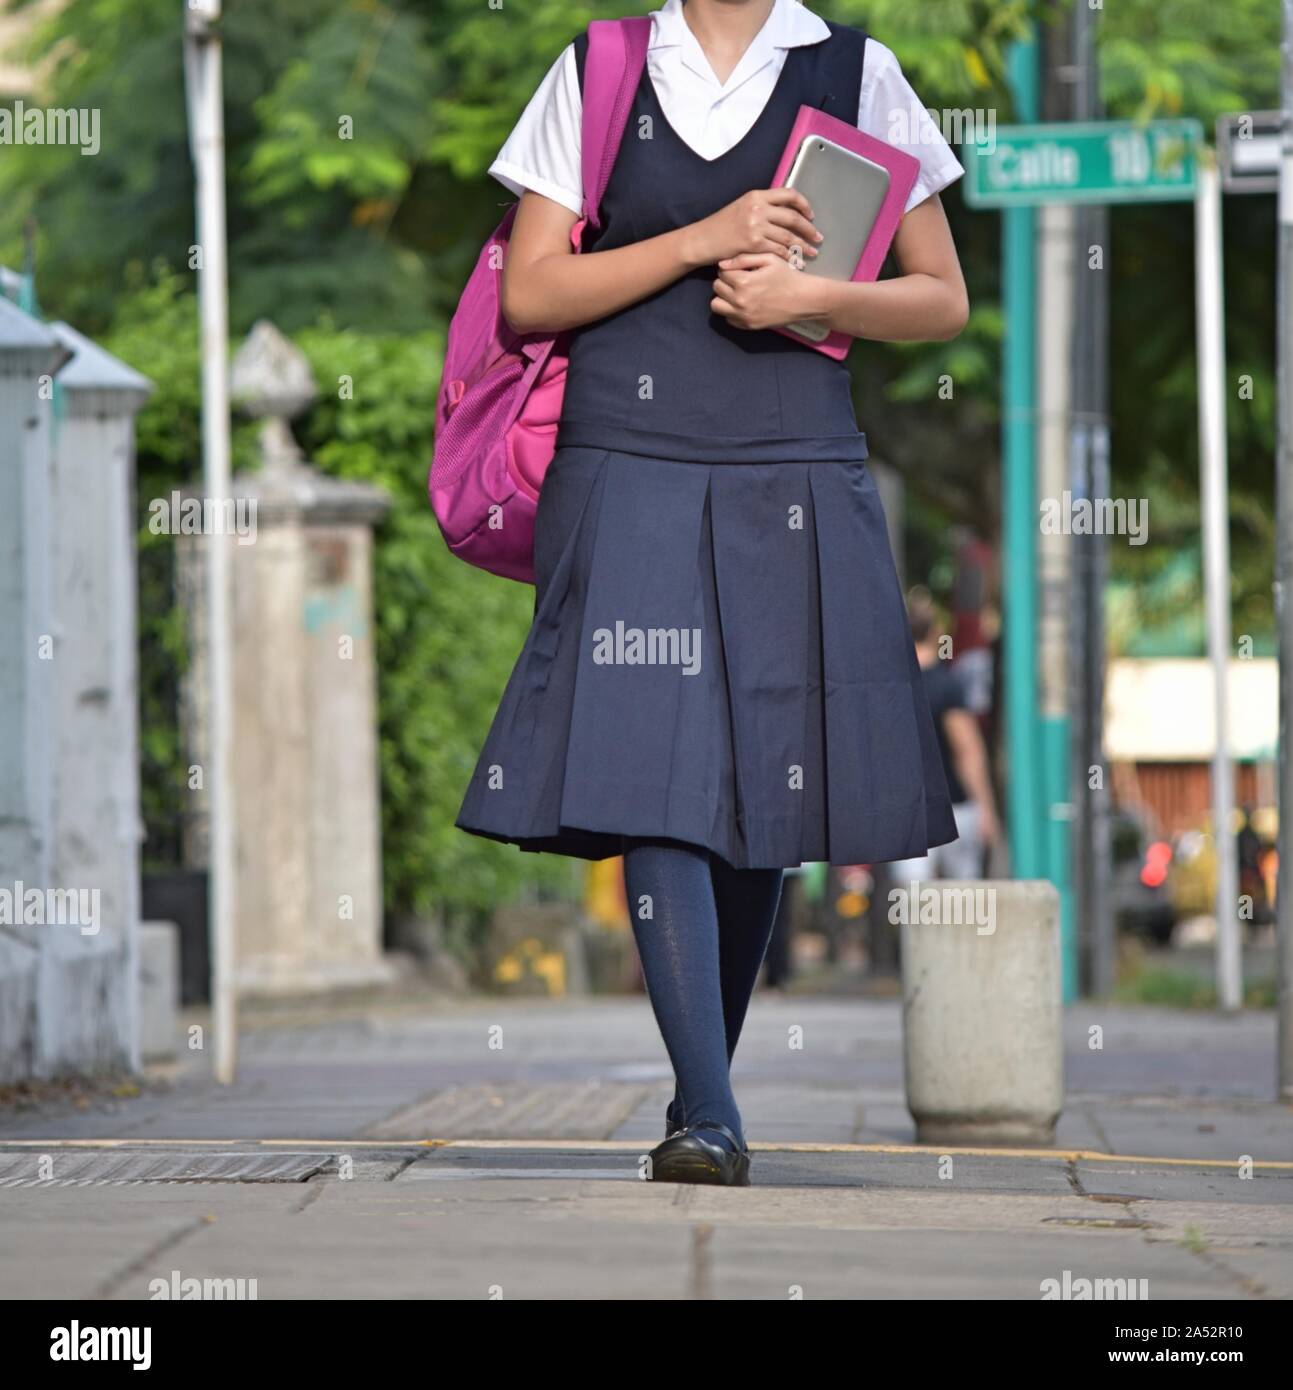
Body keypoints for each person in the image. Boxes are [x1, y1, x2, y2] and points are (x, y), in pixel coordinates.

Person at [456, 0, 968, 1186]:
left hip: (793, 460)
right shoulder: (601, 63)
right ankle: (712, 1109)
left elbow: (938, 294)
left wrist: (812, 300)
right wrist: (703, 238)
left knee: (759, 797)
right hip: (624, 461)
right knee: (652, 776)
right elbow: (531, 293)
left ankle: (704, 1103)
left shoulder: (855, 68)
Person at [889, 592, 1000, 885]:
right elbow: (967, 751)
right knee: (962, 905)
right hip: (954, 807)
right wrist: (986, 807)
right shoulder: (946, 685)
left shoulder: (889, 689)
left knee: (914, 911)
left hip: (906, 814)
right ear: (935, 633)